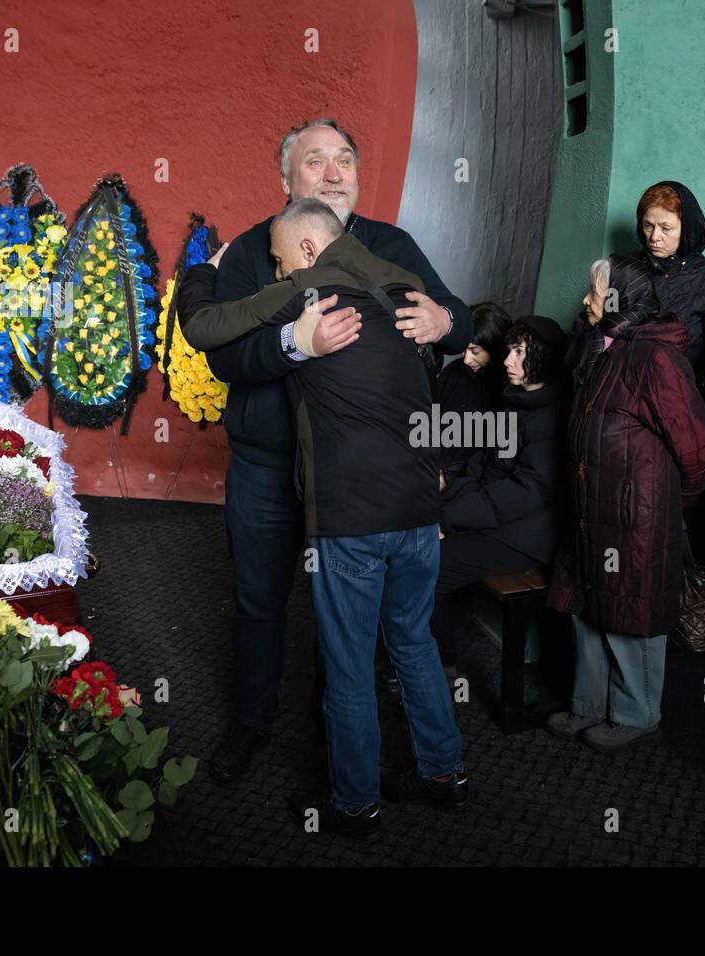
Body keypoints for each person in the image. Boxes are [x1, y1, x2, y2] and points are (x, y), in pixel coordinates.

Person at [179, 199, 466, 838]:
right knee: (414, 644)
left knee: (347, 661)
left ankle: (354, 803)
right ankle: (445, 772)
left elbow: (202, 328)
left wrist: (206, 267)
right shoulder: (408, 289)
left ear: (308, 252)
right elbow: (448, 348)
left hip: (350, 517)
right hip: (421, 509)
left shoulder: (307, 291)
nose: (279, 273)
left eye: (280, 262)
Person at [546, 255, 705, 752]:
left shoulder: (654, 359)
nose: (584, 301)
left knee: (630, 611)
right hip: (591, 505)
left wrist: (663, 505)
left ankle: (636, 714)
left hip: (634, 516)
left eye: (594, 292)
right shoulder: (601, 348)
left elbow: (699, 446)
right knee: (588, 604)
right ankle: (588, 705)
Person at [434, 315, 570, 678]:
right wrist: (443, 508)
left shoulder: (551, 415)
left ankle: (440, 670)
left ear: (542, 357)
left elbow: (525, 492)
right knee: (417, 537)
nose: (508, 360)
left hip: (530, 535)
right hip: (503, 520)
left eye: (520, 352)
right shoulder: (516, 401)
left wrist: (449, 519)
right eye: (509, 350)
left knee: (428, 565)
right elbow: (483, 465)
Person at [630, 180, 705, 566]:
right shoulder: (625, 267)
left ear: (687, 228)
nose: (654, 237)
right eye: (648, 226)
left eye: (666, 228)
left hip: (683, 412)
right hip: (626, 411)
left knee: (677, 516)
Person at [436, 302, 513, 474]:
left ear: (495, 346)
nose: (466, 360)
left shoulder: (509, 388)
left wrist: (448, 476)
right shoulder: (453, 372)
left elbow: (496, 458)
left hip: (469, 481)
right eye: (464, 350)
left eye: (475, 351)